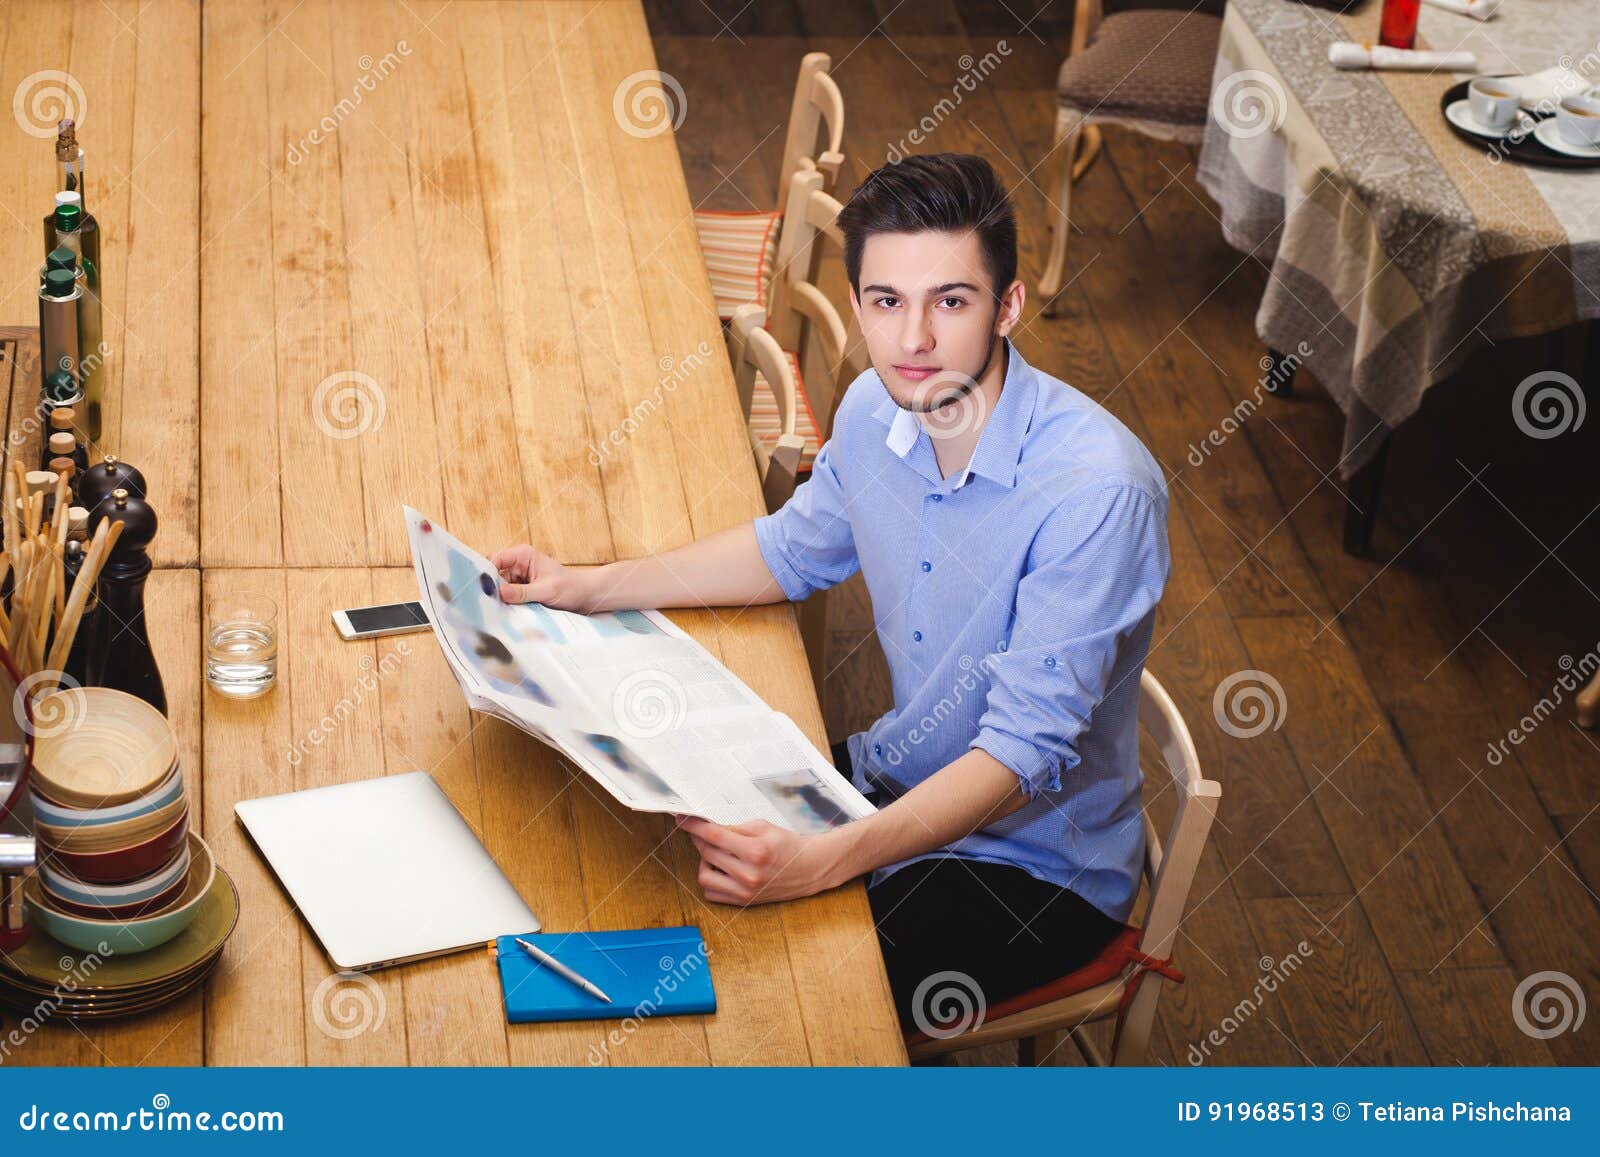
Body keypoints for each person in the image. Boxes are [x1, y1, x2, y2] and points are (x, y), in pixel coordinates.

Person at [490, 153, 1170, 1035]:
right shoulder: (871, 409)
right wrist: (586, 586)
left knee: (780, 1007)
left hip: (1036, 870)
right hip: (901, 772)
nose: (914, 339)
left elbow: (1013, 764)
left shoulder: (1097, 494)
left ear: (1007, 306)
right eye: (887, 301)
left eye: (951, 301)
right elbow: (787, 553)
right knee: (647, 826)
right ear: (857, 306)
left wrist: (820, 864)